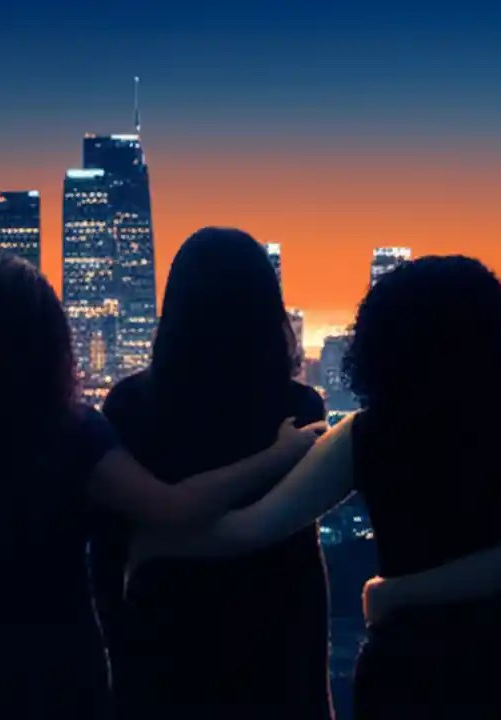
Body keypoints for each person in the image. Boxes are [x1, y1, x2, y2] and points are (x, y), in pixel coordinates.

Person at [137, 256, 501, 719]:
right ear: (500, 344)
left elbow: (253, 527)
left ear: (383, 346)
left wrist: (155, 545)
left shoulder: (363, 437)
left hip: (403, 667)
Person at [0, 257, 325, 720]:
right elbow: (175, 507)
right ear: (48, 342)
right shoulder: (69, 435)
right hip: (56, 676)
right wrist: (276, 456)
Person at [90, 228, 333, 720]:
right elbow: (303, 555)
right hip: (274, 655)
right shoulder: (297, 409)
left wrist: (118, 656)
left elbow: (106, 555)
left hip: (160, 652)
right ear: (268, 311)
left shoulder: (129, 406)